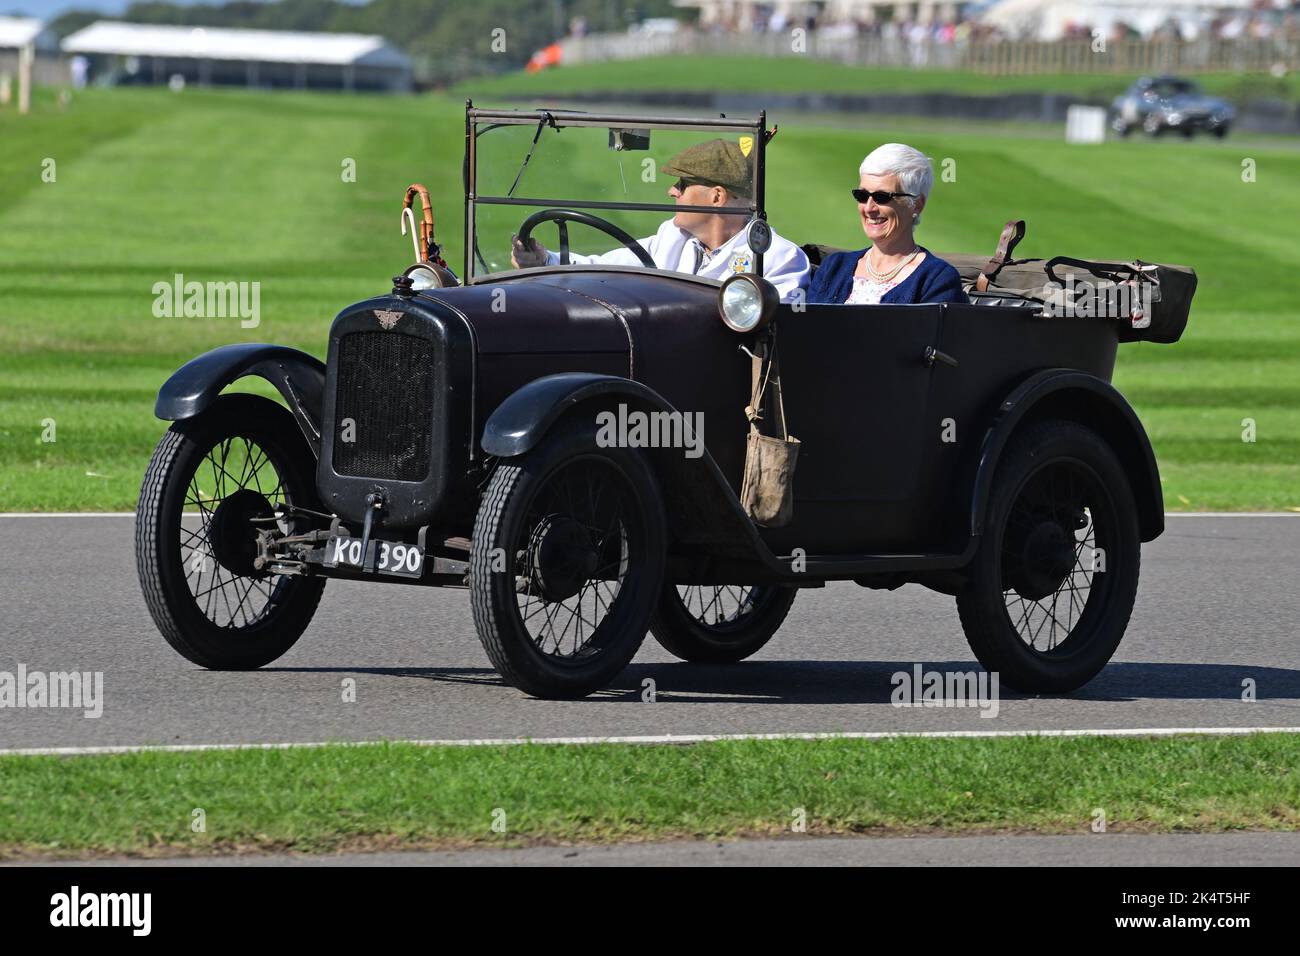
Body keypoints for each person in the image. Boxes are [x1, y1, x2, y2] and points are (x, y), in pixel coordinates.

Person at [510, 139, 810, 303]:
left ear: (717, 197)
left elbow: (772, 336)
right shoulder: (673, 238)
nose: (671, 191)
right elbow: (604, 269)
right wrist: (544, 260)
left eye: (682, 184)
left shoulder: (776, 258)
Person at [808, 143, 967, 306]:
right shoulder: (833, 267)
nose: (869, 208)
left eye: (882, 197)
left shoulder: (936, 279)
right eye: (861, 195)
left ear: (917, 204)